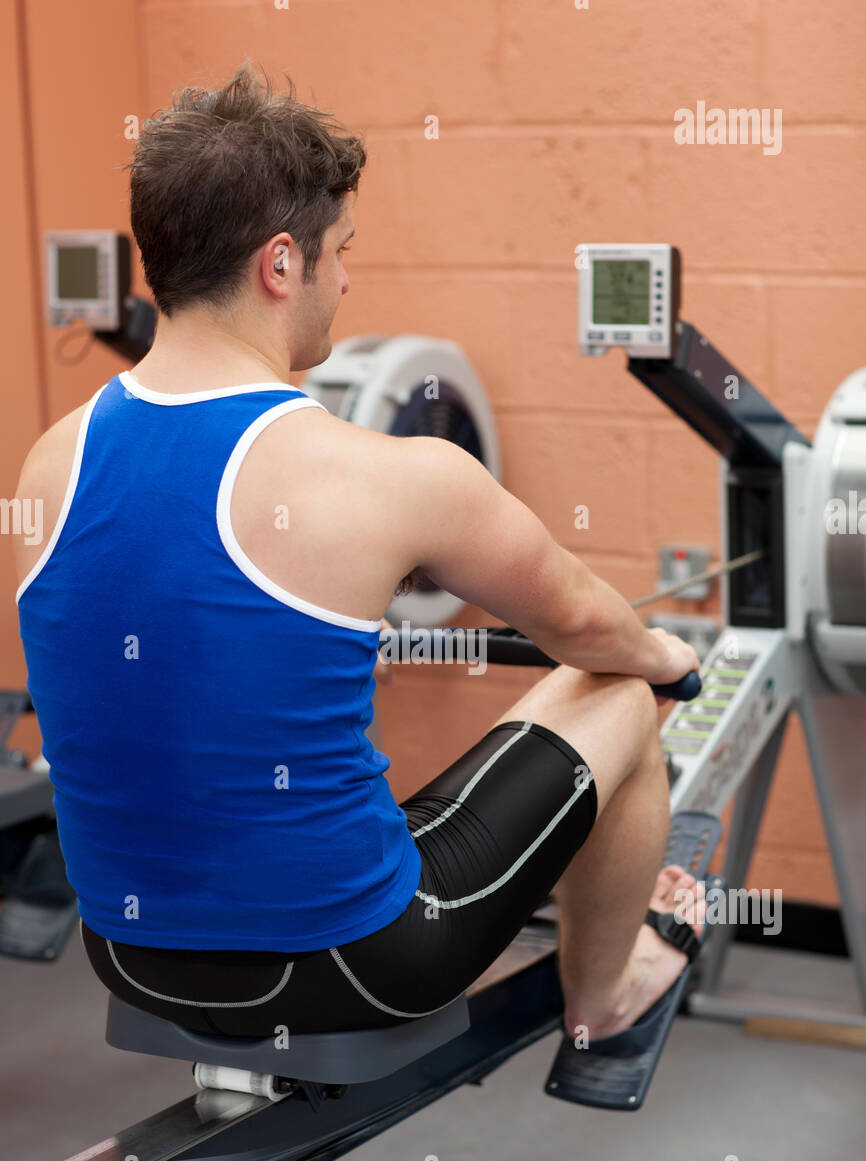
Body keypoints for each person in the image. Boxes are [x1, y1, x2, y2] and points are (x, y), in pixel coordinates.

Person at [13, 64, 703, 1054]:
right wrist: (665, 662)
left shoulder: (49, 462)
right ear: (280, 264)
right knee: (619, 690)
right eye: (343, 251)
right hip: (349, 965)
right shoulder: (393, 475)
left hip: (125, 952)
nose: (348, 279)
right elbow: (587, 622)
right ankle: (606, 989)